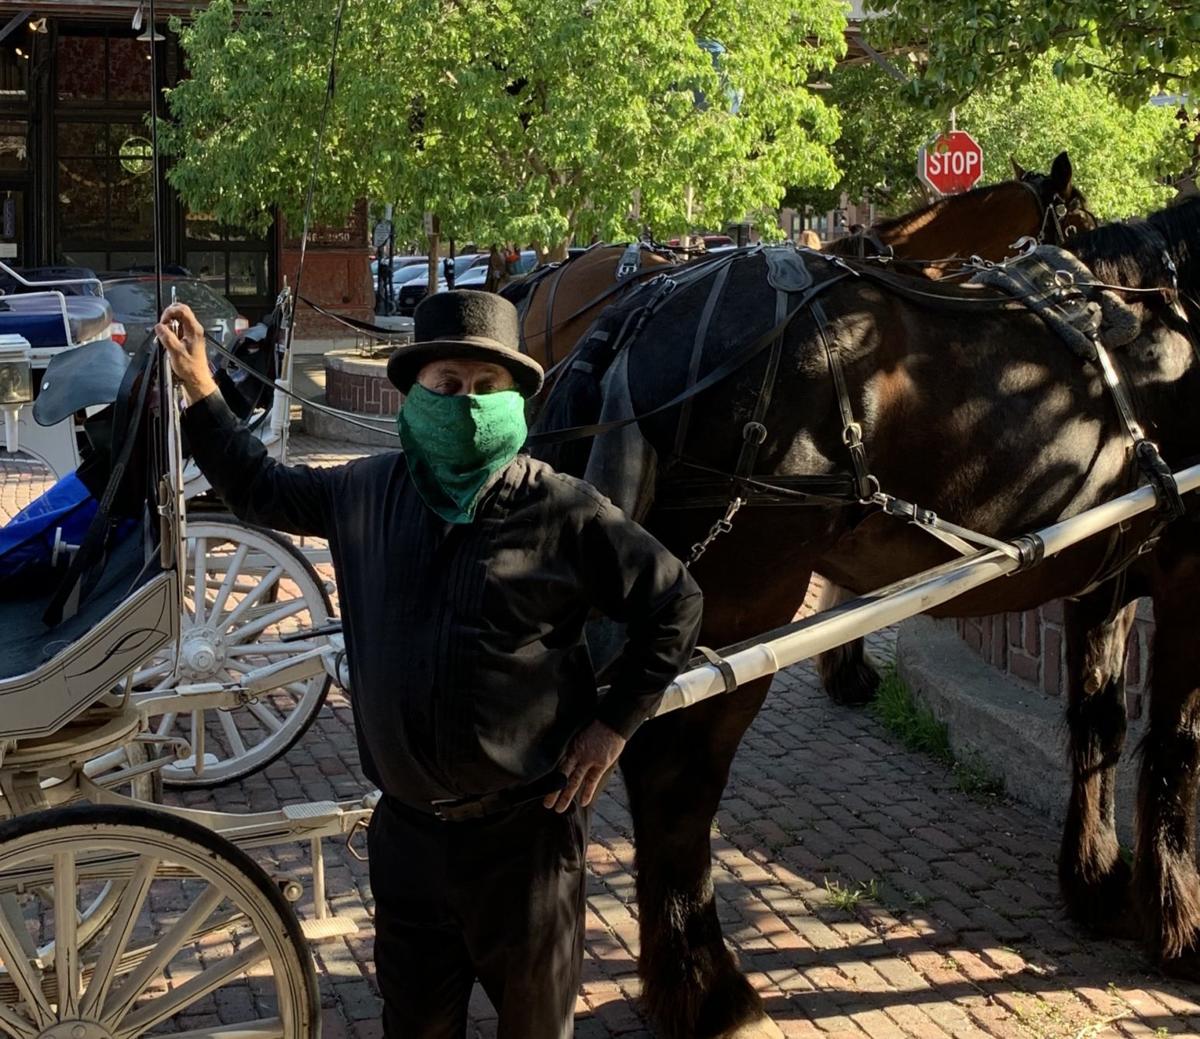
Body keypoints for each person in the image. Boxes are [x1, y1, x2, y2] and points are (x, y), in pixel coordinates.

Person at [156, 289, 703, 1039]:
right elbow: (259, 487)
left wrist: (614, 724)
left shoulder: (564, 511)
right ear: (413, 393)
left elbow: (675, 603)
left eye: (488, 389)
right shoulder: (365, 491)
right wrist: (201, 388)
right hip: (409, 844)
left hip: (527, 847)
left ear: (517, 400)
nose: (469, 406)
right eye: (450, 385)